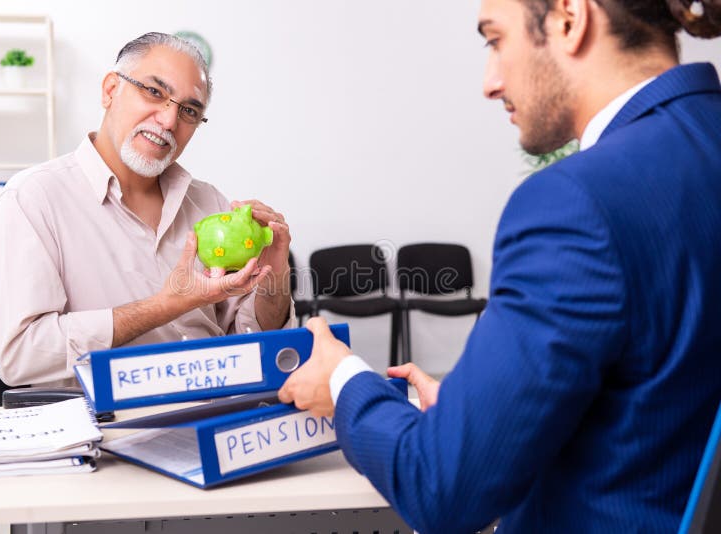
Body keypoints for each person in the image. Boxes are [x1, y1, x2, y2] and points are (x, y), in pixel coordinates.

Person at [278, 0, 721, 532]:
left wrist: (345, 381)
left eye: (495, 39)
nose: (489, 83)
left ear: (568, 18)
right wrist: (488, 408)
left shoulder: (576, 202)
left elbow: (442, 488)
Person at [0, 32, 294, 387]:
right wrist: (165, 306)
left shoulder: (210, 204)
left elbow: (250, 338)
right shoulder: (31, 201)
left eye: (189, 110)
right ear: (110, 90)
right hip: (108, 429)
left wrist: (275, 278)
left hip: (217, 413)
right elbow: (19, 357)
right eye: (154, 92)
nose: (168, 121)